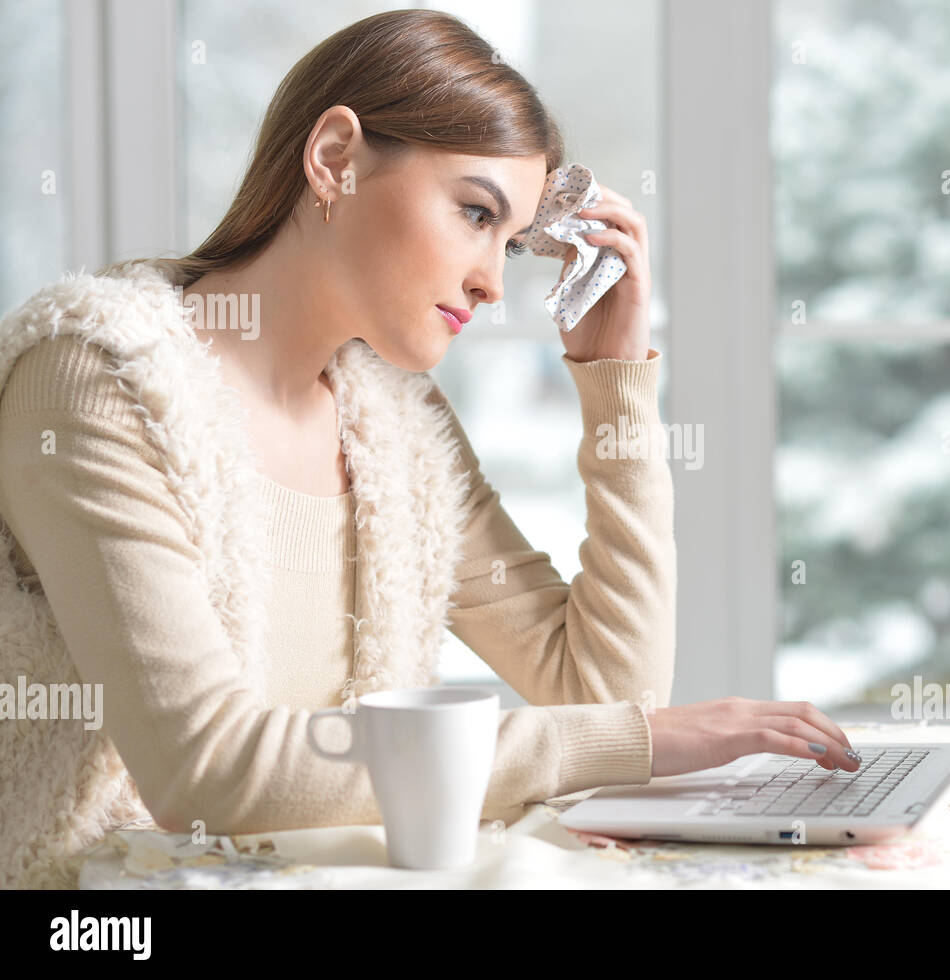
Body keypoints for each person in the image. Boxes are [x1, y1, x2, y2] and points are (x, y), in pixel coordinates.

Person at [0, 9, 856, 889]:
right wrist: (642, 742)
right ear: (334, 158)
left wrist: (615, 381)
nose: (493, 280)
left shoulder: (395, 427)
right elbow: (204, 769)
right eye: (475, 213)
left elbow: (604, 694)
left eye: (513, 242)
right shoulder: (99, 379)